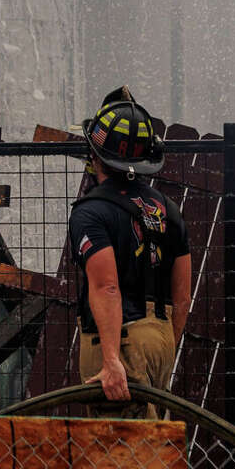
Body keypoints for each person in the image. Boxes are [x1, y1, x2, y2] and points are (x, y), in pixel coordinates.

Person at [68, 86, 192, 417]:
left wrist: (111, 361)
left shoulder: (90, 213)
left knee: (119, 456)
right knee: (151, 446)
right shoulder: (168, 210)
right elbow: (182, 297)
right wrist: (163, 343)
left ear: (94, 156)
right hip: (160, 339)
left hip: (119, 344)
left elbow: (107, 287)